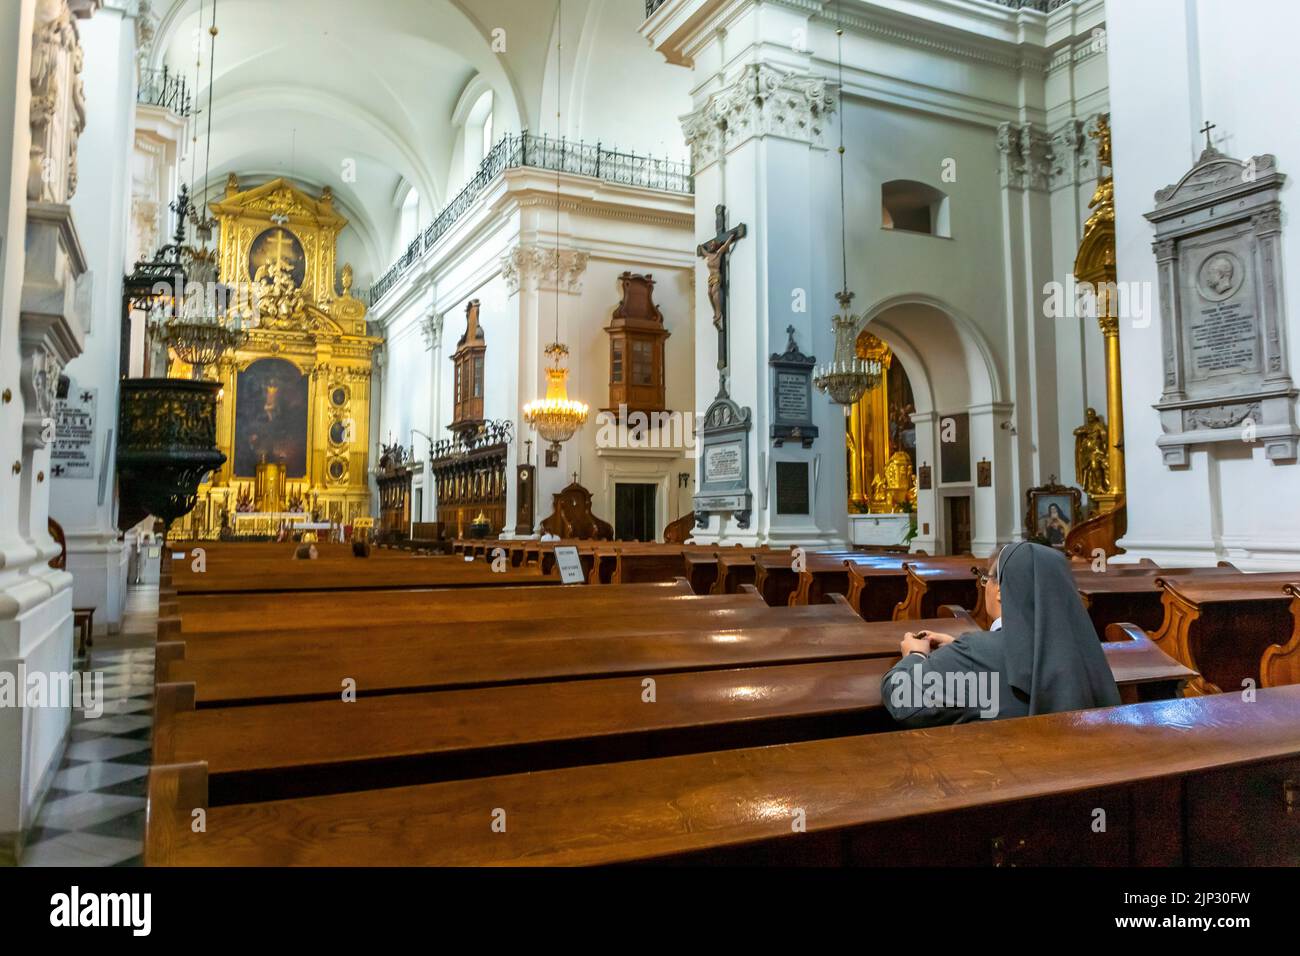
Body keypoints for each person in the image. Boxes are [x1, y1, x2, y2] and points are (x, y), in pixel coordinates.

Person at [879, 541, 1120, 728]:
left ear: (1002, 592)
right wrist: (963, 650)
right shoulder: (1085, 651)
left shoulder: (975, 654)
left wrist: (915, 655)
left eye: (988, 579)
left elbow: (902, 698)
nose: (985, 585)